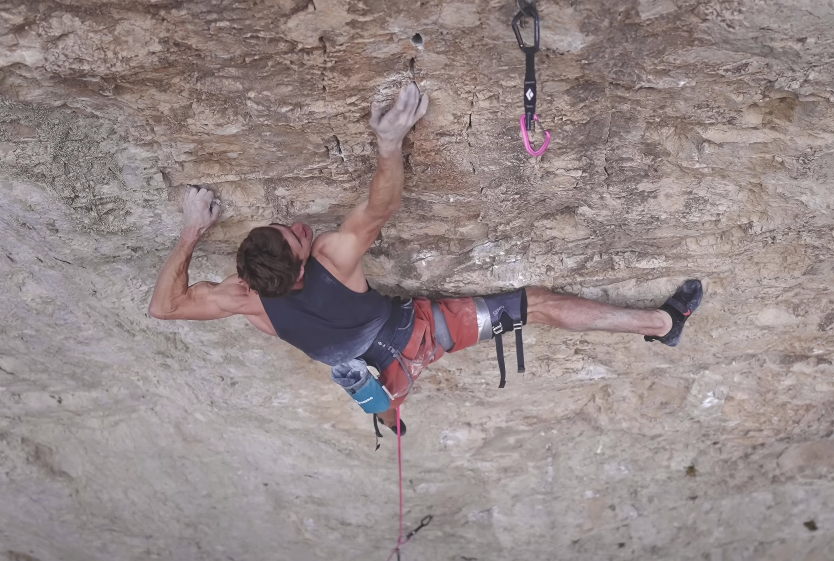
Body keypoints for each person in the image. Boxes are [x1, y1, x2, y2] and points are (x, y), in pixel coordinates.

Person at [148, 82, 703, 435]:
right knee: (537, 305)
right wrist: (389, 146)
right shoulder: (329, 259)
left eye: (286, 226)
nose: (300, 225)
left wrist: (192, 233)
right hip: (426, 332)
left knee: (376, 377)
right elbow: (377, 209)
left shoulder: (241, 300)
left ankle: (385, 406)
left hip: (383, 369)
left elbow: (165, 308)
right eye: (296, 235)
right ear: (299, 268)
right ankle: (664, 324)